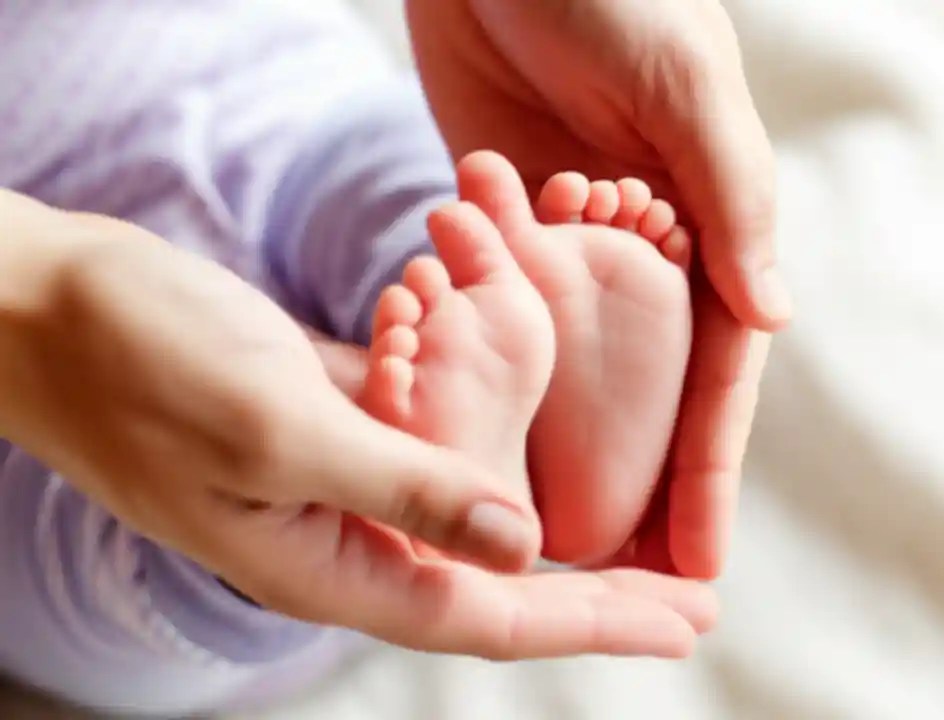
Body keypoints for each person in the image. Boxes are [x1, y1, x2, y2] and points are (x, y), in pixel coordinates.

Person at [0, 0, 786, 714]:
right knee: (72, 554)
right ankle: (393, 453)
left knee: (427, 203)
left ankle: (494, 396)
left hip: (250, 87)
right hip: (216, 110)